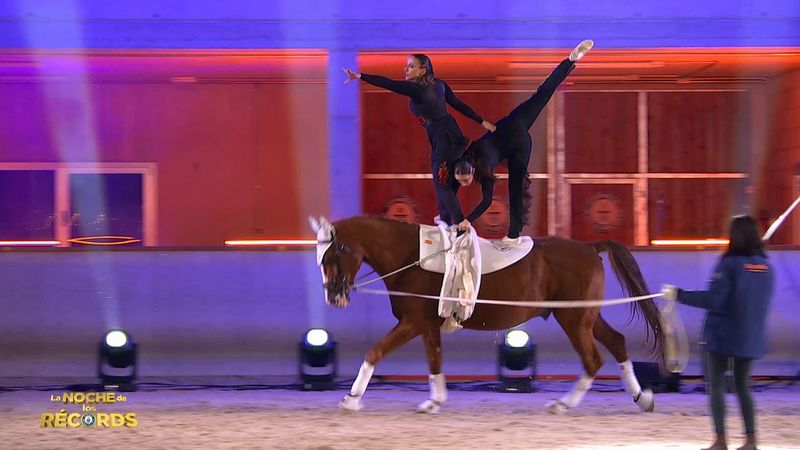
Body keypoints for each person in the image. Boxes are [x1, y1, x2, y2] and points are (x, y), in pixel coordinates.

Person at [452, 40, 593, 244]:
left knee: (515, 187)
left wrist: (467, 220)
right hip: (512, 123)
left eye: (465, 181)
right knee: (542, 94)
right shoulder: (465, 157)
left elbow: (486, 201)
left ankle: (514, 234)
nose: (464, 184)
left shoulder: (484, 170)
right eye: (461, 182)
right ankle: (570, 61)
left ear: (472, 171)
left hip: (518, 142)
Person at [343, 54, 495, 231]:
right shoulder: (439, 84)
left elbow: (389, 84)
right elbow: (458, 105)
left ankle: (459, 227)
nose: (405, 69)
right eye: (406, 66)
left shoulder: (417, 89)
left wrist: (361, 76)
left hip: (443, 138)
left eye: (410, 66)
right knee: (446, 185)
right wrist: (482, 121)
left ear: (423, 70)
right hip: (449, 133)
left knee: (443, 185)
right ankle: (447, 222)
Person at [663, 215, 773, 450]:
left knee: (716, 387)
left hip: (722, 336)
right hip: (750, 336)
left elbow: (714, 299)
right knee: (743, 385)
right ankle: (751, 440)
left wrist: (679, 294)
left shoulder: (729, 265)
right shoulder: (766, 266)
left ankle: (720, 440)